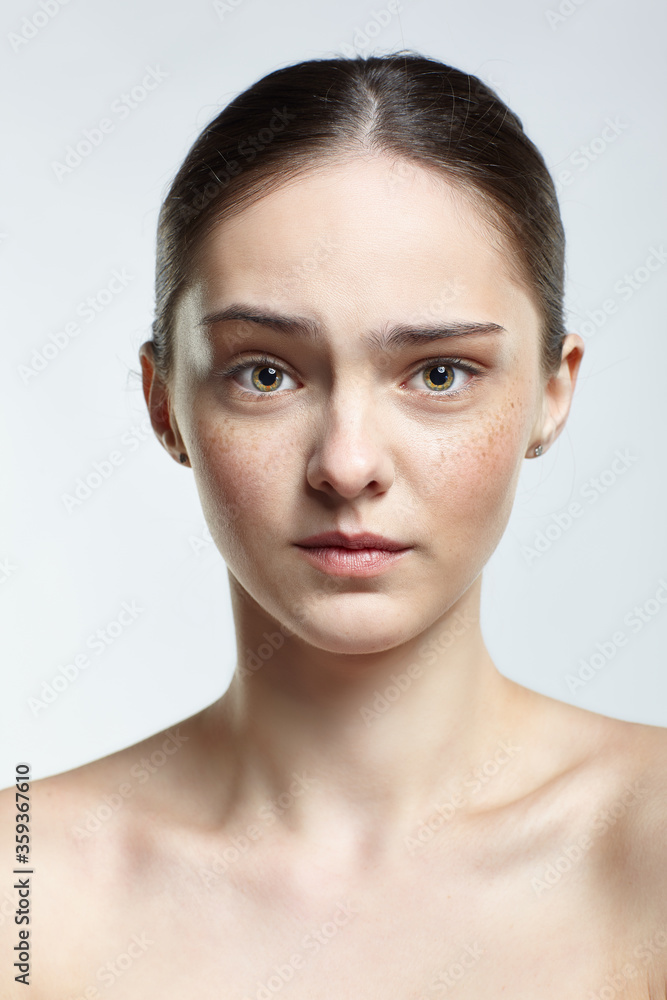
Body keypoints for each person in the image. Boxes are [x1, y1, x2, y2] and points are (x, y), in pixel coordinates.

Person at [3, 51, 667, 999]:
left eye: (438, 372)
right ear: (164, 405)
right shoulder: (22, 889)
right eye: (265, 372)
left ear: (551, 394)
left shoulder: (649, 854)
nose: (347, 464)